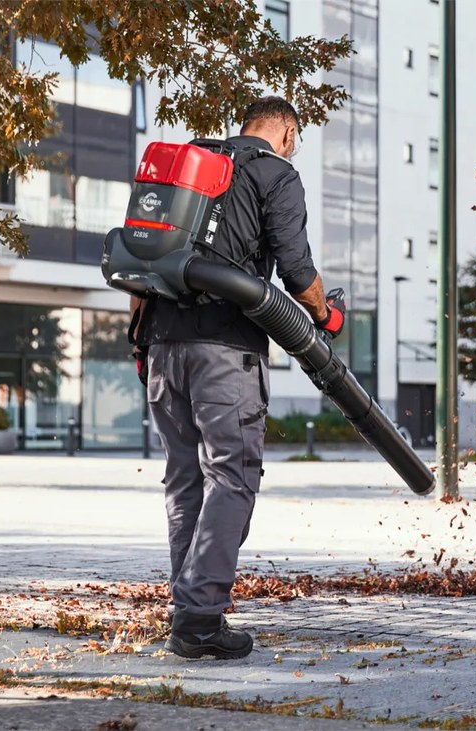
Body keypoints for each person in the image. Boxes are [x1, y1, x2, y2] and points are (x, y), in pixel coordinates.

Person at [129, 96, 343, 660]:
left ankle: (187, 610)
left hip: (161, 344)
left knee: (184, 479)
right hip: (224, 350)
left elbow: (143, 250)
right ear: (288, 134)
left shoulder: (194, 159)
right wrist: (324, 315)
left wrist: (142, 341)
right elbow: (296, 270)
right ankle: (198, 619)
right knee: (233, 474)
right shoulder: (278, 174)